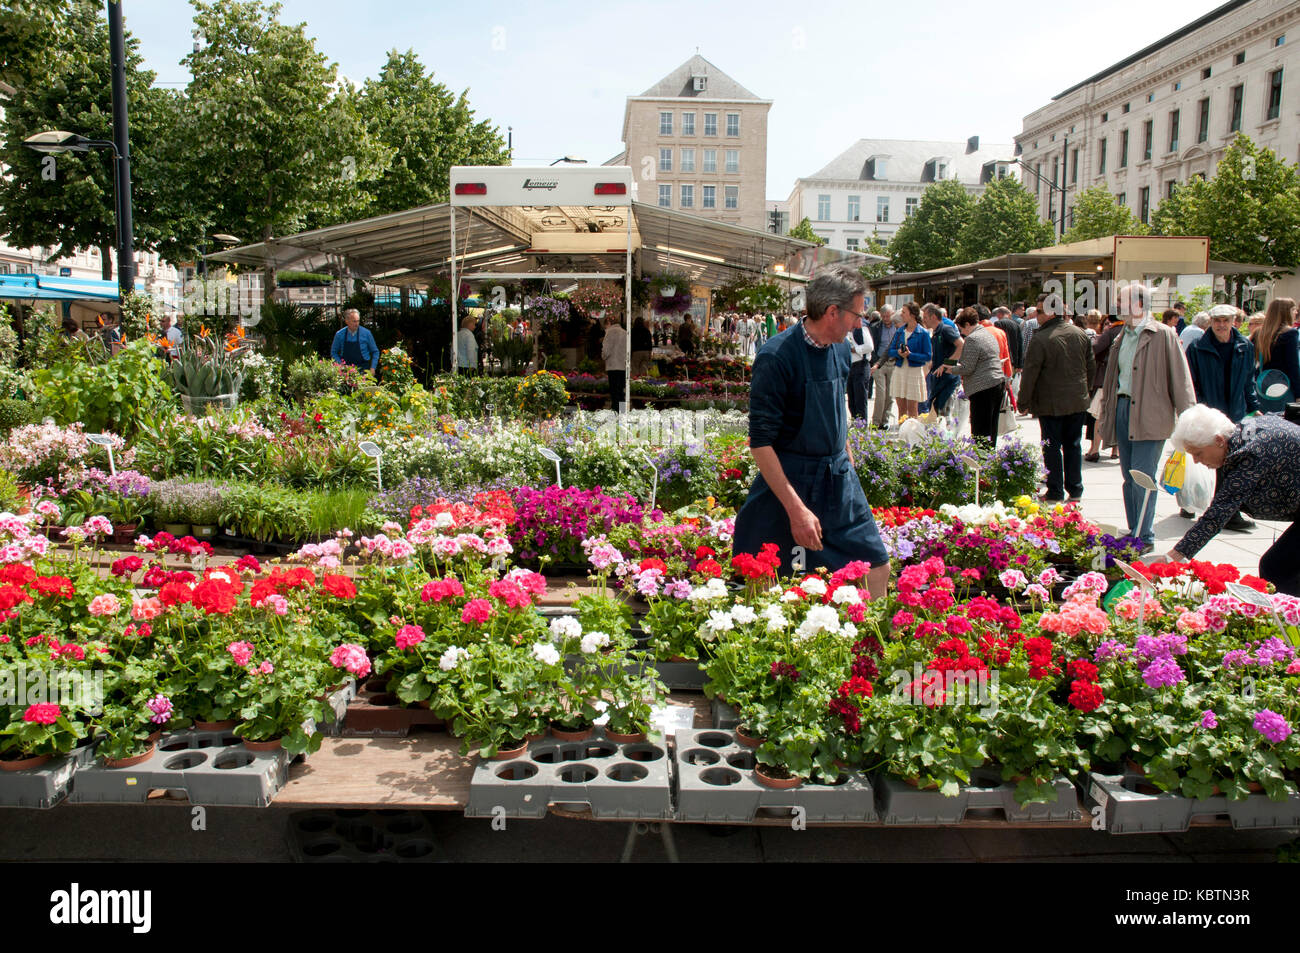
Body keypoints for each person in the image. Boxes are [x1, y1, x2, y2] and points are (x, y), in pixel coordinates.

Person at [732, 265, 890, 598]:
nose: (860, 323)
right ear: (833, 312)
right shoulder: (776, 356)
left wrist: (845, 453)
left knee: (876, 564)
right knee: (762, 570)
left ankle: (874, 643)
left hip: (836, 476)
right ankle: (762, 641)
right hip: (789, 479)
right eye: (856, 315)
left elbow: (836, 408)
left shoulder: (840, 349)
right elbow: (761, 443)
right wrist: (796, 509)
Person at [1096, 283, 1196, 552]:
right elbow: (1112, 379)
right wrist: (1105, 412)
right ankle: (1134, 531)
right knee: (1130, 477)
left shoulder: (1163, 334)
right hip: (1124, 410)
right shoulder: (1121, 335)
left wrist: (1189, 421)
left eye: (1123, 300)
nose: (1117, 304)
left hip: (1151, 414)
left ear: (1139, 304)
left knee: (1143, 477)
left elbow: (1181, 379)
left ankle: (1144, 536)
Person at [1159, 405, 1300, 595]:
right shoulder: (1241, 436)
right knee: (1276, 568)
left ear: (1218, 440)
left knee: (1277, 569)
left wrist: (1175, 556)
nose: (1196, 461)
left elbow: (1218, 514)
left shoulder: (1250, 452)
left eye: (1198, 453)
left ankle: (1287, 618)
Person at [1183, 303, 1259, 528]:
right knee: (1200, 456)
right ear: (1211, 322)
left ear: (1234, 321)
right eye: (1217, 320)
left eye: (1226, 320)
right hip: (1209, 411)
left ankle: (1227, 512)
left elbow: (1249, 380)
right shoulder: (1198, 346)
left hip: (1234, 411)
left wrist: (1253, 406)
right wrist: (1194, 408)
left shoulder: (1244, 345)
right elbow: (1191, 381)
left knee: (1229, 461)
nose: (1221, 325)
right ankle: (1191, 501)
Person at [1019, 292, 1096, 501]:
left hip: (1051, 403)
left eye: (1040, 312)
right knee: (1073, 445)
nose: (1037, 316)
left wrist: (1023, 401)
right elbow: (1091, 367)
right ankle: (1075, 488)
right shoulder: (1080, 334)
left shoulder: (1041, 338)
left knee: (1052, 447)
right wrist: (1085, 391)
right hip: (1076, 401)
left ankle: (1055, 490)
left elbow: (1030, 374)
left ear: (1053, 313)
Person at [939, 307, 1003, 446]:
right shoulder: (987, 334)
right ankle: (989, 458)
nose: (961, 333)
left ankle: (981, 459)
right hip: (996, 383)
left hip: (982, 388)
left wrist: (951, 369)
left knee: (980, 429)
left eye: (961, 329)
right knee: (992, 427)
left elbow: (967, 368)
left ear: (967, 325)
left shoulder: (973, 339)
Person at [1085, 311, 1125, 462]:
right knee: (1120, 416)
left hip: (1107, 379)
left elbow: (1094, 350)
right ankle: (1117, 451)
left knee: (1099, 415)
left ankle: (1095, 449)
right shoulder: (1131, 331)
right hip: (1126, 380)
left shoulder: (1111, 332)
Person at [888, 301, 931, 420]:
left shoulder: (923, 333)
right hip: (900, 369)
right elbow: (890, 351)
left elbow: (927, 356)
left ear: (912, 314)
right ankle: (902, 432)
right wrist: (898, 353)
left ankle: (912, 434)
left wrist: (910, 355)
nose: (901, 314)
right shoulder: (900, 331)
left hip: (914, 371)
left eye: (903, 312)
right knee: (901, 409)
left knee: (913, 410)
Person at [1251, 297, 1300, 402]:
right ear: (1285, 312)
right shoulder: (1290, 333)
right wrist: (1298, 393)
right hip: (1283, 387)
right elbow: (1293, 366)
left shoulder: (1259, 333)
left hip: (1262, 386)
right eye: (1293, 309)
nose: (1296, 312)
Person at [922, 302, 962, 415]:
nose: (923, 320)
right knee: (935, 411)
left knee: (944, 414)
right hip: (938, 379)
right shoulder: (935, 332)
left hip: (949, 379)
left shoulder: (945, 329)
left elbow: (961, 345)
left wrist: (946, 364)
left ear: (933, 317)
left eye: (925, 317)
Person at [869, 305, 897, 429]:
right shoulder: (875, 327)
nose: (886, 319)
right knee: (881, 394)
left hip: (893, 363)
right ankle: (875, 422)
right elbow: (872, 346)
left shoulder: (898, 327)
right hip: (879, 363)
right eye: (884, 316)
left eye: (888, 316)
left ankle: (884, 421)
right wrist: (876, 362)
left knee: (890, 395)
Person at [846, 320, 871, 419]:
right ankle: (855, 421)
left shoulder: (862, 330)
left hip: (861, 366)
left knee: (860, 399)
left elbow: (870, 346)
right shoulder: (846, 331)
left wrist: (855, 349)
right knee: (851, 399)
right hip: (850, 367)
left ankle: (862, 425)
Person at [602, 314, 628, 410]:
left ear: (609, 323)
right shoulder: (625, 333)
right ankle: (622, 411)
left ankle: (615, 411)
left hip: (612, 365)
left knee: (614, 391)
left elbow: (606, 350)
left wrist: (603, 356)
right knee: (621, 390)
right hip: (623, 365)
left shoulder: (609, 332)